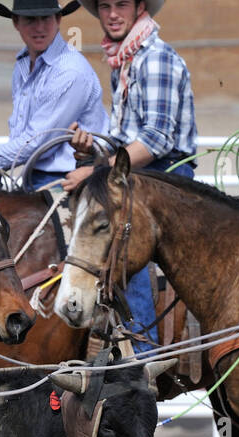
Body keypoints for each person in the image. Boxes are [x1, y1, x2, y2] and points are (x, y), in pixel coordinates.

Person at [64, 0, 197, 339]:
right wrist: (90, 149)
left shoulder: (156, 59)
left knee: (126, 247)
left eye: (121, 4)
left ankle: (142, 350)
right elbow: (124, 137)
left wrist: (97, 173)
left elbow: (156, 139)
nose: (112, 13)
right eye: (105, 6)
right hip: (140, 172)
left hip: (168, 175)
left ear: (139, 7)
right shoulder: (125, 59)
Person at [0, 0, 107, 190]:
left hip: (71, 181)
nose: (39, 27)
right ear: (16, 22)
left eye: (45, 18)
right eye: (30, 19)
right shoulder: (24, 65)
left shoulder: (69, 71)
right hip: (38, 177)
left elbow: (37, 142)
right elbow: (27, 138)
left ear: (58, 19)